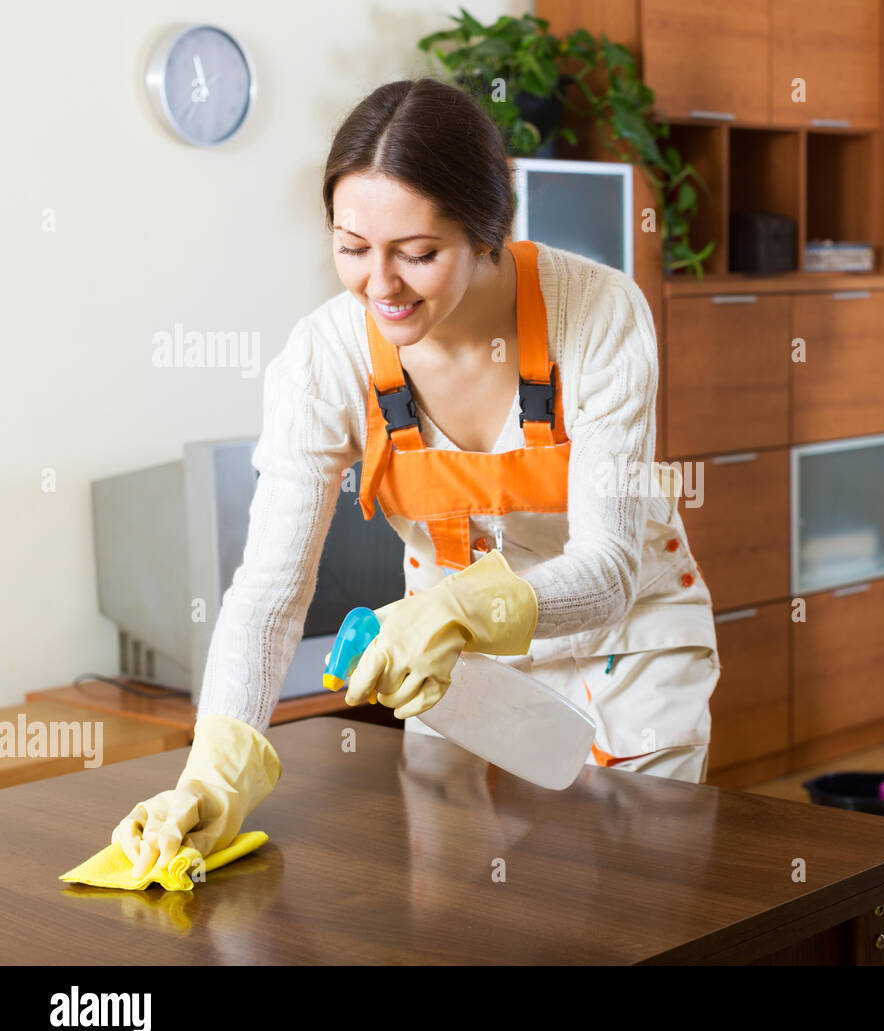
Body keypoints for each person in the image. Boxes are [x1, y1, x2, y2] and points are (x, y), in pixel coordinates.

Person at [112, 78, 720, 879]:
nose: (381, 287)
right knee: (462, 918)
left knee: (633, 906)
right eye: (352, 247)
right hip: (454, 680)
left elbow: (609, 571)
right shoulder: (324, 359)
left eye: (419, 254)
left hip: (625, 652)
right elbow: (269, 591)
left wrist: (455, 610)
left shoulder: (597, 314)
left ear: (487, 229)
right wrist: (214, 769)